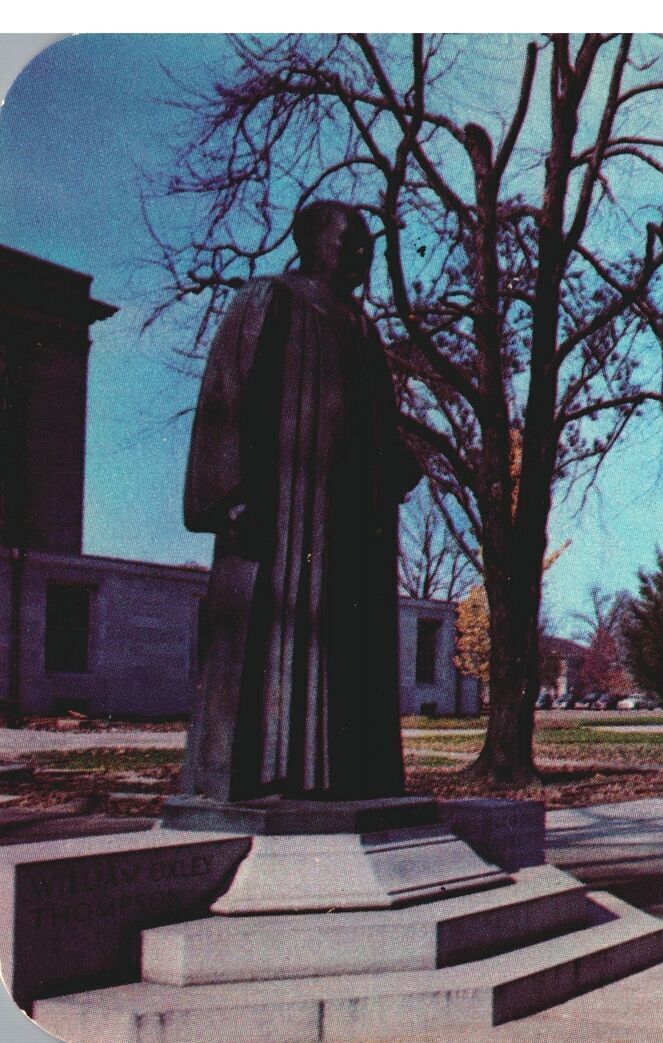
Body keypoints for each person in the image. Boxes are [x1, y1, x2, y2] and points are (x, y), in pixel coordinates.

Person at [181, 200, 421, 802]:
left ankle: (351, 778)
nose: (366, 252)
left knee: (351, 636)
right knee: (288, 632)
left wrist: (396, 464)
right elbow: (225, 396)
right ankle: (274, 774)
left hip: (354, 519)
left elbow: (375, 422)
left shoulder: (363, 328)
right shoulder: (271, 301)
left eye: (369, 243)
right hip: (291, 512)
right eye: (356, 240)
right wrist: (231, 496)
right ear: (317, 242)